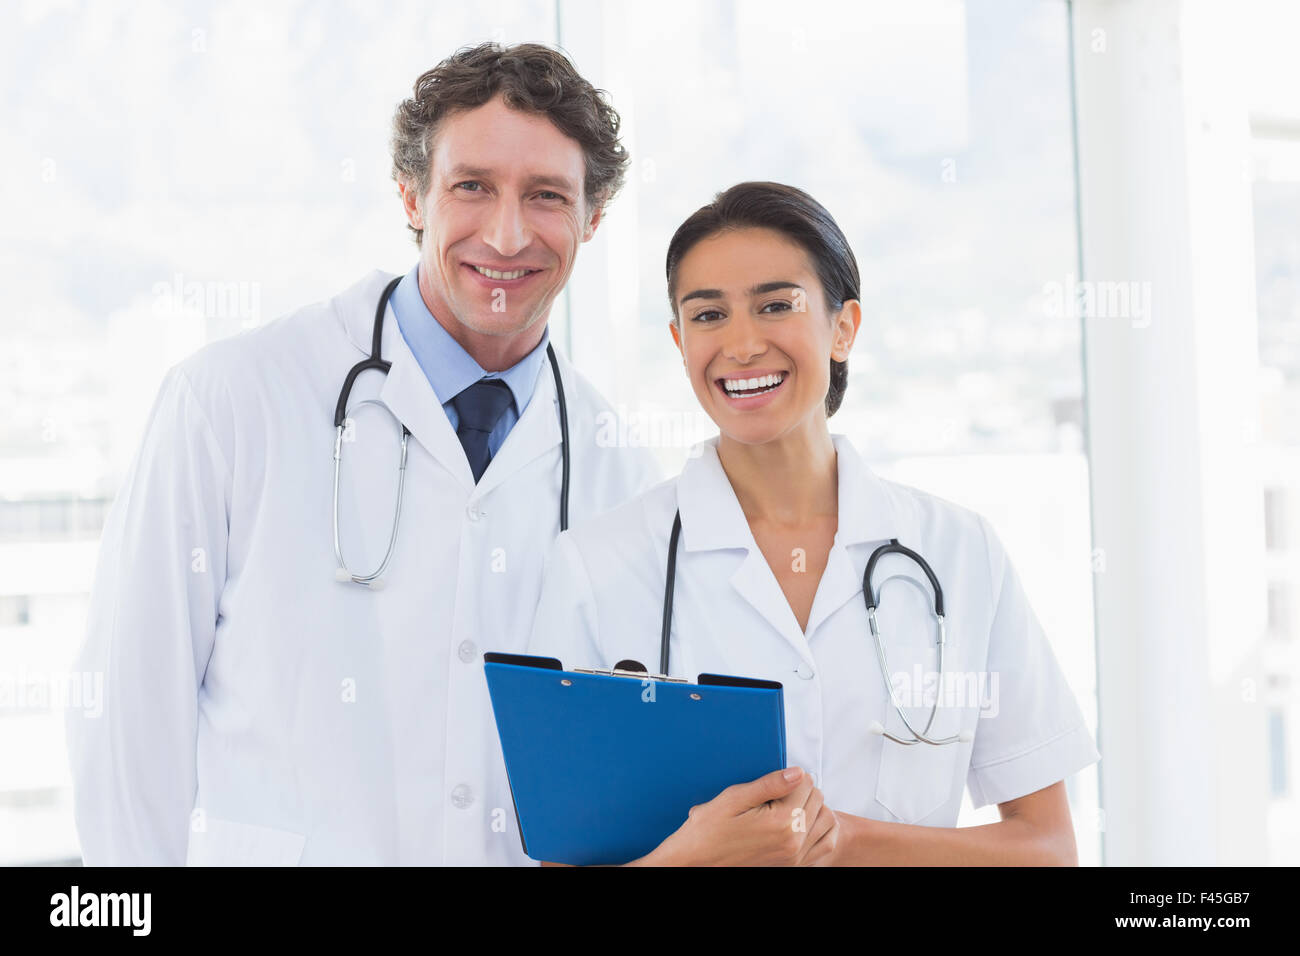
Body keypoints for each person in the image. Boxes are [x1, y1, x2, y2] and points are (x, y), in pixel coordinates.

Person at [65, 42, 659, 866]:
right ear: (412, 195)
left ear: (593, 218)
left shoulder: (618, 468)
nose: (507, 231)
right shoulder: (232, 401)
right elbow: (131, 715)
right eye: (472, 186)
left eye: (548, 195)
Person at [528, 181, 1101, 865]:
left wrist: (846, 840)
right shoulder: (598, 567)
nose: (742, 345)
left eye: (776, 306)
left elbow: (1047, 849)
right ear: (680, 342)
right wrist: (693, 855)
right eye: (708, 316)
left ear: (843, 327)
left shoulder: (959, 552)